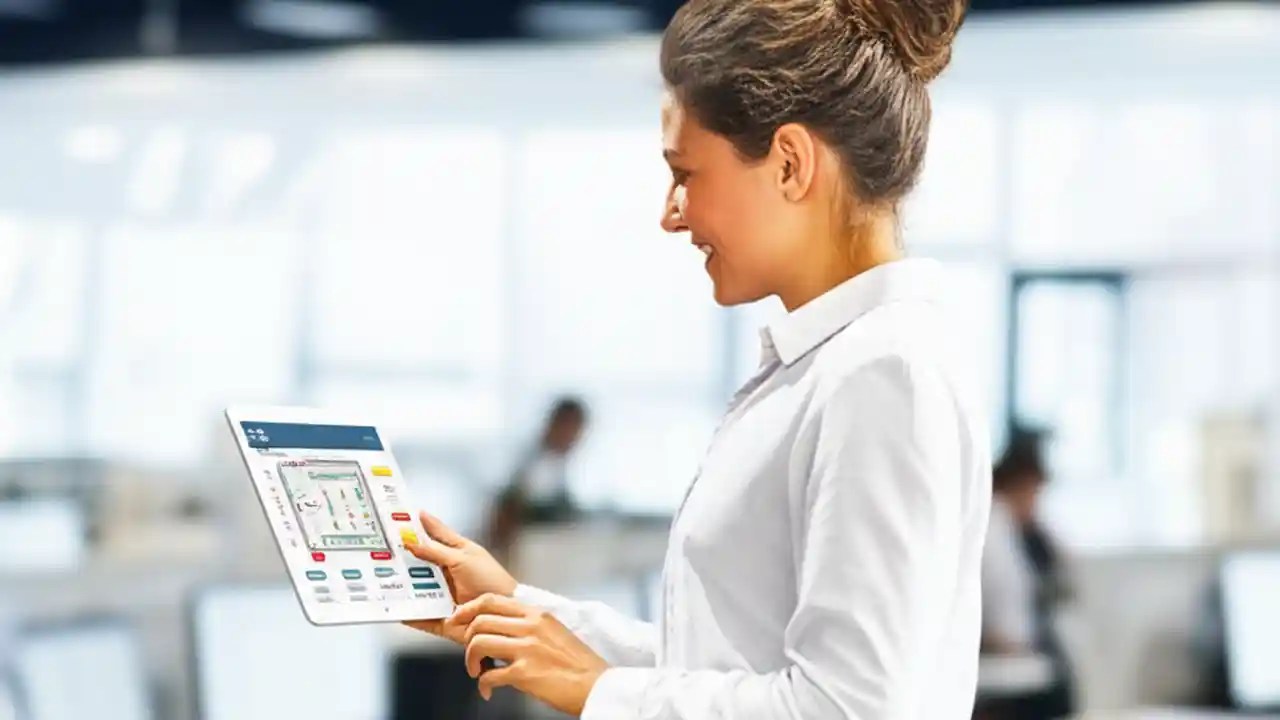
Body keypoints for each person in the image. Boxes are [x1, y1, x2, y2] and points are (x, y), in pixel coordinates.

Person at [404, 0, 990, 717]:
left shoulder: (883, 375)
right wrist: (518, 609)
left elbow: (849, 708)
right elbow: (721, 664)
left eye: (686, 174)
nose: (671, 212)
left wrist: (596, 690)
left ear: (789, 164)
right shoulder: (832, 366)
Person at [979, 427, 1076, 719]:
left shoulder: (1024, 530)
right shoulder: (993, 526)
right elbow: (995, 591)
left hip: (1021, 654)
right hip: (1000, 656)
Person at [485, 396, 589, 566]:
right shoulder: (530, 463)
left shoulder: (557, 464)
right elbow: (507, 511)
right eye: (570, 428)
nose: (574, 437)